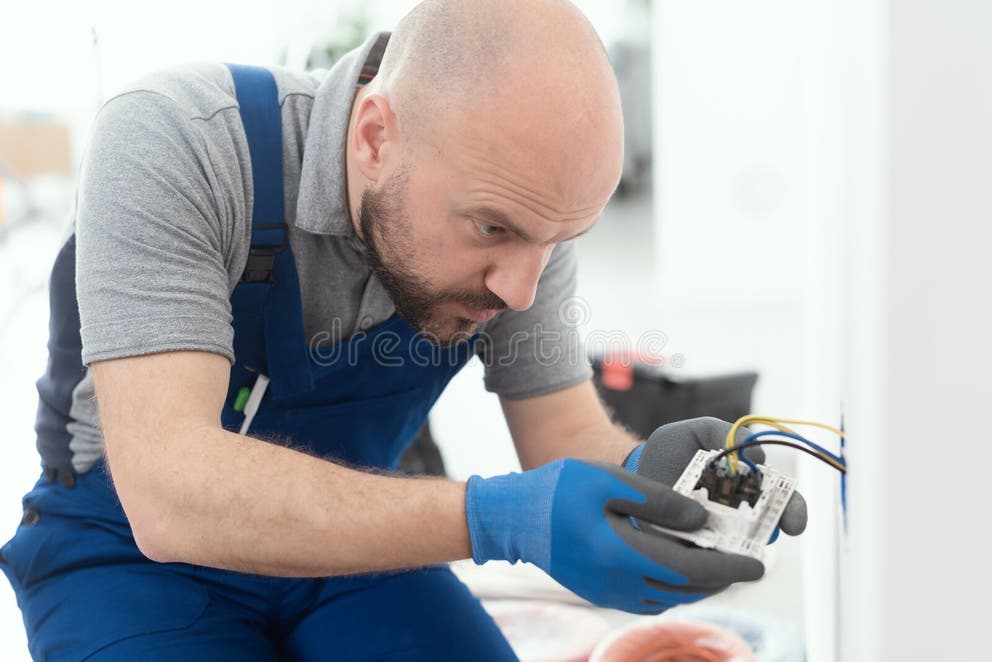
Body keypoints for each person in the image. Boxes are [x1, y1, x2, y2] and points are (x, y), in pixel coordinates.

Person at [0, 0, 806, 659]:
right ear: (375, 135)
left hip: (355, 547)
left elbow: (561, 434)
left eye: (553, 240)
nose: (519, 287)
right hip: (128, 555)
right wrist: (497, 518)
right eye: (492, 229)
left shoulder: (526, 216)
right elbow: (168, 495)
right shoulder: (180, 141)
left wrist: (648, 481)